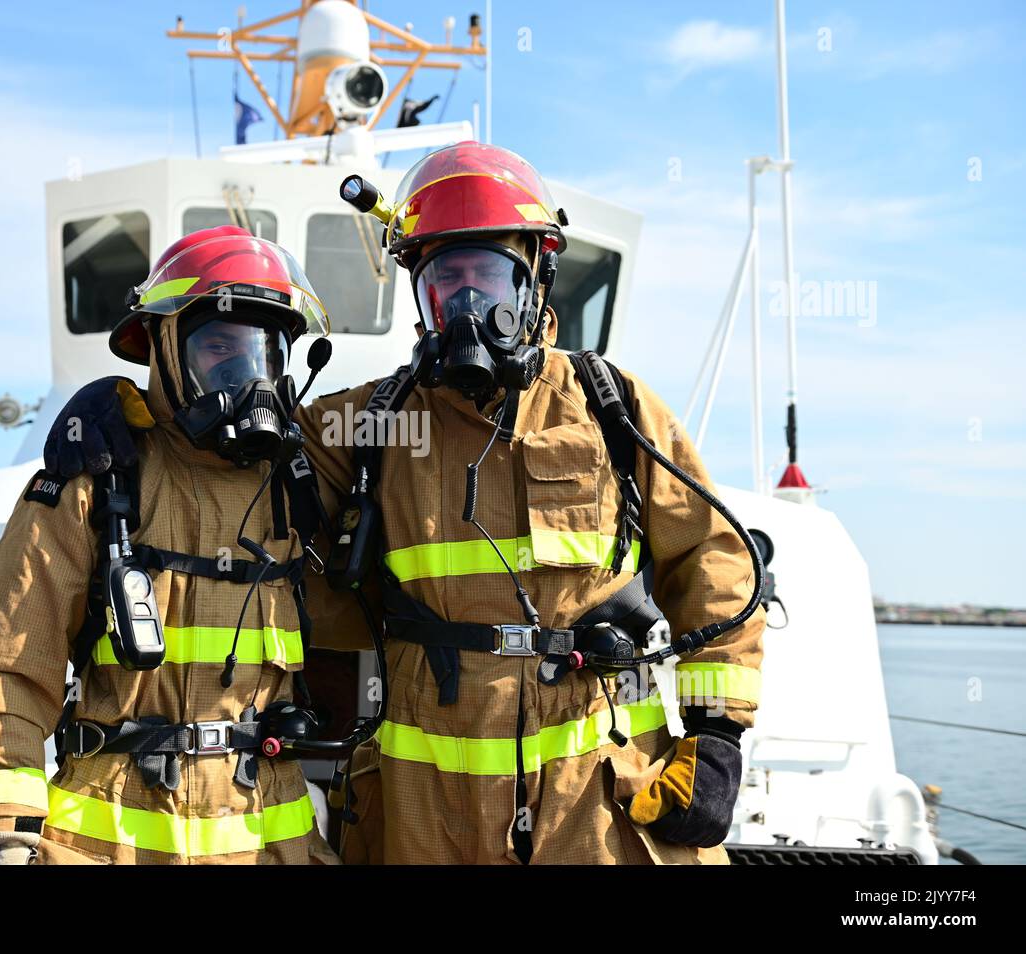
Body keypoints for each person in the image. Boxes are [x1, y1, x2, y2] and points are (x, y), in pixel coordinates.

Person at [44, 142, 766, 865]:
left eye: (489, 277)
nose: (468, 305)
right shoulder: (373, 423)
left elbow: (713, 559)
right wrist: (122, 404)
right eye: (444, 281)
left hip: (598, 809)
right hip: (424, 813)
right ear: (418, 296)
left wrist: (718, 734)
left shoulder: (614, 407)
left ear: (537, 278)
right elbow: (233, 434)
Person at [0, 225, 339, 865]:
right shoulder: (96, 479)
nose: (248, 377)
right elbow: (4, 669)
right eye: (221, 351)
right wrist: (2, 835)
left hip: (271, 845)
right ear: (164, 350)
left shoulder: (304, 480)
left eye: (263, 354)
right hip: (105, 845)